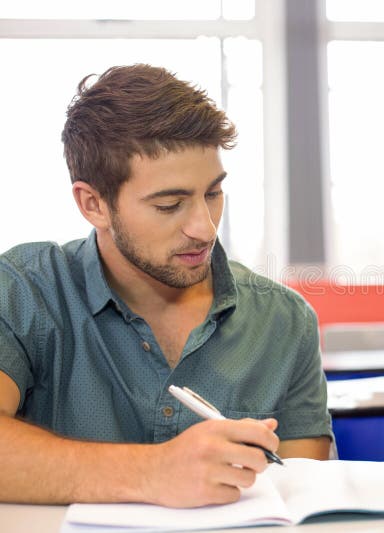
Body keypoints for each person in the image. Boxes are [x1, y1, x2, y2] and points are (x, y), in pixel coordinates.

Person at [0, 64, 332, 507]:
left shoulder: (285, 320)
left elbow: (302, 499)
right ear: (93, 204)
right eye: (170, 204)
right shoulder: (26, 290)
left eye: (212, 193)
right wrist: (151, 473)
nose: (205, 227)